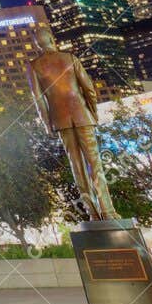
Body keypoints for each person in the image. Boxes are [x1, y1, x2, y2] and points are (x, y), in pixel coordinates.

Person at [25, 23, 117, 221]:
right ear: (51, 38)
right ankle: (108, 211)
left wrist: (47, 122)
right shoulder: (70, 58)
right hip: (82, 115)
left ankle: (92, 212)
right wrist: (92, 112)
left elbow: (39, 99)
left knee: (77, 167)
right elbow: (89, 88)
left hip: (61, 120)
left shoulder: (34, 66)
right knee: (95, 164)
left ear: (37, 44)